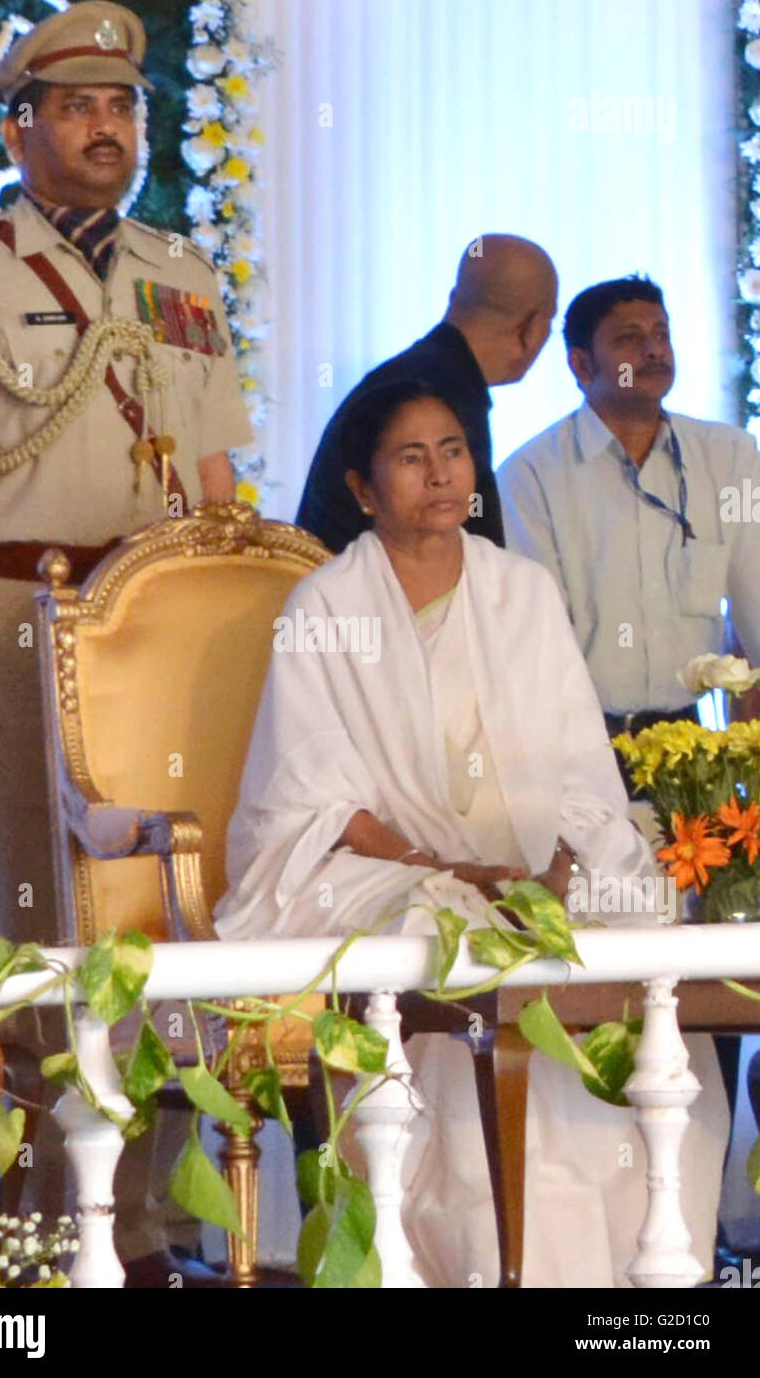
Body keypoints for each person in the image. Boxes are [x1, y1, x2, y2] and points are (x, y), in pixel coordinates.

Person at [215, 379, 727, 1288]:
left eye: (452, 451)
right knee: (444, 929)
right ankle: (480, 1256)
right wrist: (455, 868)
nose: (440, 474)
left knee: (634, 913)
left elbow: (578, 771)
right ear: (365, 489)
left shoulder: (522, 591)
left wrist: (562, 866)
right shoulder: (326, 607)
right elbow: (320, 804)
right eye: (411, 458)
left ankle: (637, 1264)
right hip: (386, 866)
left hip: (532, 863)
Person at [0, 0, 251, 1284]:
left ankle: (144, 1227)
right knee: (33, 917)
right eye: (77, 107)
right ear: (21, 128)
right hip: (15, 624)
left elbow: (215, 487)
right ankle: (44, 1231)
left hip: (159, 635)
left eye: (123, 108)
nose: (105, 128)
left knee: (155, 911)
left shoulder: (182, 276)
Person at [496, 275, 760, 790]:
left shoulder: (727, 455)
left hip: (693, 743)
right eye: (628, 339)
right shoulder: (532, 475)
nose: (654, 350)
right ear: (580, 364)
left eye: (661, 334)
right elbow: (536, 637)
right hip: (579, 745)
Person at [295, 234, 557, 553]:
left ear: (453, 299)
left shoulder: (414, 376)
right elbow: (462, 550)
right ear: (532, 329)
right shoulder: (439, 401)